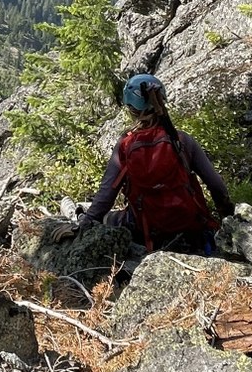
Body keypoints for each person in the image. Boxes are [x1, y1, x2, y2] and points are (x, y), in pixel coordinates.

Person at [78, 74, 232, 254]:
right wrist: (228, 217)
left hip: (145, 227)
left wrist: (85, 224)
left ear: (131, 108)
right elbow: (216, 185)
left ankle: (80, 214)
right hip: (190, 222)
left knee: (109, 219)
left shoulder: (125, 145)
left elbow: (106, 195)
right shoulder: (182, 140)